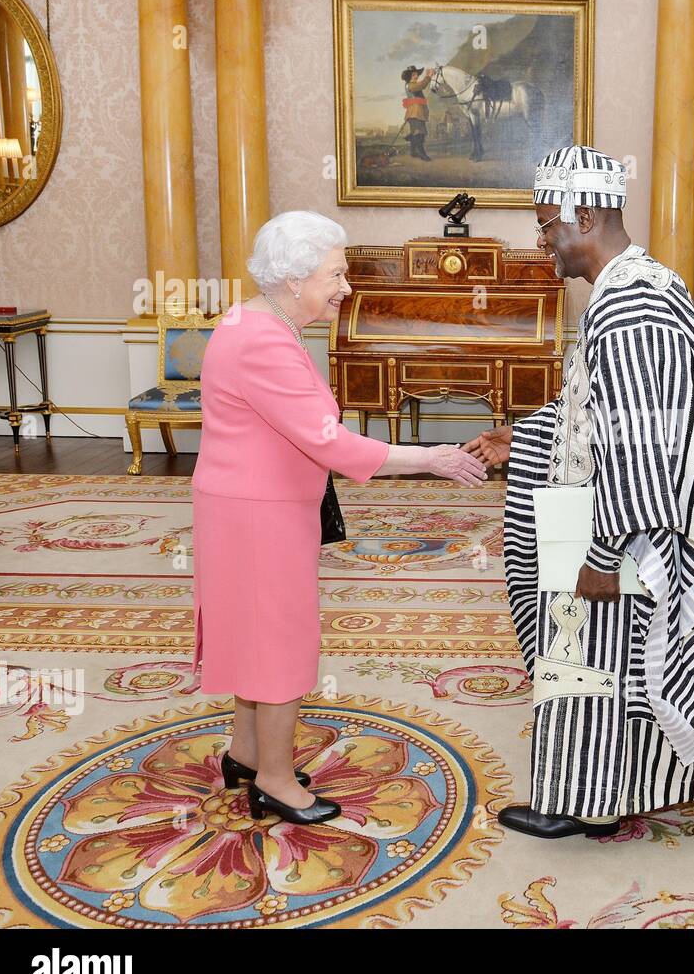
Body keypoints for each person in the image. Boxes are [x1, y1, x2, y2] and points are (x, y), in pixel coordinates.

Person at [463, 146, 694, 838]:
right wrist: (521, 435)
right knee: (602, 655)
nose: (541, 238)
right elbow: (603, 411)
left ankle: (587, 801)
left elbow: (641, 446)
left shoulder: (631, 306)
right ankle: (602, 793)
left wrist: (605, 550)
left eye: (546, 222)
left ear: (583, 215)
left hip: (637, 523)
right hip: (630, 511)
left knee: (592, 648)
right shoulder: (635, 287)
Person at [192, 211, 486, 826]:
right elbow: (331, 443)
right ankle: (273, 780)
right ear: (295, 278)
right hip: (258, 515)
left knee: (254, 632)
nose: (346, 285)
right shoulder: (264, 340)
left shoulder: (254, 320)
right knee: (278, 640)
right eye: (336, 273)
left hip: (251, 505)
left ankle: (246, 754)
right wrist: (428, 458)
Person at [400, 65, 434, 161]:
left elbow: (421, 85)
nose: (416, 76)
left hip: (417, 112)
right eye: (414, 74)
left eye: (416, 74)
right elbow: (422, 85)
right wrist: (429, 76)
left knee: (416, 132)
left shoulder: (412, 84)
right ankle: (422, 154)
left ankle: (413, 151)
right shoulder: (411, 85)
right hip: (415, 113)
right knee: (420, 133)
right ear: (409, 76)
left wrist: (427, 76)